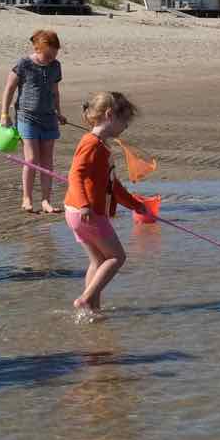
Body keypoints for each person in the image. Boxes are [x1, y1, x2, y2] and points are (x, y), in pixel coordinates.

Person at [63, 92, 149, 315]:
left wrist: (134, 205)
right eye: (125, 121)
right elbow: (75, 175)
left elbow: (113, 185)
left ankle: (92, 308)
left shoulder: (101, 145)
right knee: (117, 257)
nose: (126, 127)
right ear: (110, 115)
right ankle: (85, 299)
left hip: (77, 212)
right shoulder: (91, 143)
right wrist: (84, 205)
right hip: (87, 212)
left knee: (99, 260)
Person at [0, 29, 66, 213]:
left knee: (47, 161)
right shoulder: (24, 64)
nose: (51, 58)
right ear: (38, 48)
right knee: (31, 159)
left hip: (49, 118)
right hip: (26, 117)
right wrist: (4, 115)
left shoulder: (55, 66)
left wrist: (59, 112)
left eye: (54, 54)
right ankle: (27, 198)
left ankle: (46, 200)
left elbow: (55, 91)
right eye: (48, 54)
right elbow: (9, 89)